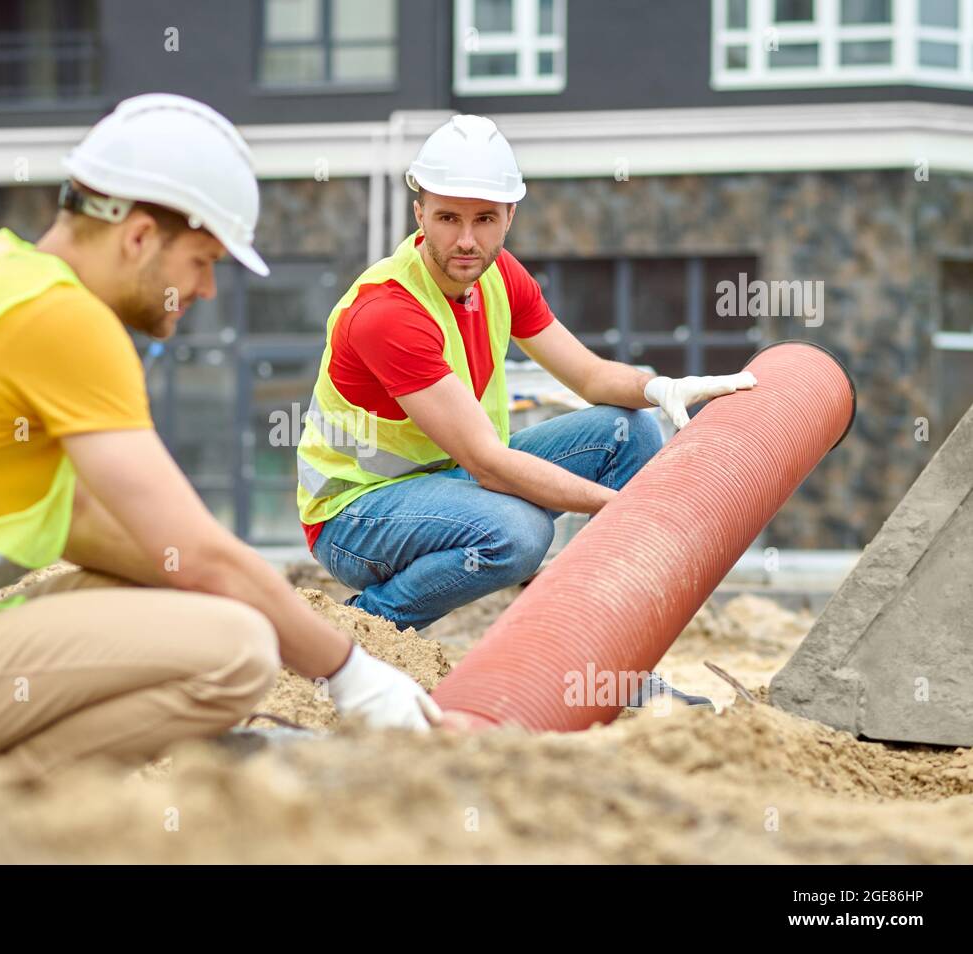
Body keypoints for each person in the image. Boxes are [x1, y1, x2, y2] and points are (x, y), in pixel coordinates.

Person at [0, 93, 441, 779]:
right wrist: (351, 673)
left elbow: (97, 527)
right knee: (236, 650)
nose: (208, 290)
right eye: (202, 261)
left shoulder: (4, 278)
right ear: (139, 237)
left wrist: (236, 590)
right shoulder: (64, 321)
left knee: (190, 597)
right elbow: (197, 553)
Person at [296, 114, 757, 707]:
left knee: (628, 429)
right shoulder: (388, 311)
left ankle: (609, 663)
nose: (467, 240)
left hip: (448, 483)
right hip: (355, 516)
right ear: (419, 213)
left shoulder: (499, 277)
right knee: (519, 532)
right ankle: (359, 632)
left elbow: (589, 377)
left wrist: (661, 387)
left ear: (510, 216)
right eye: (448, 218)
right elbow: (488, 464)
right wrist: (622, 508)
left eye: (485, 219)